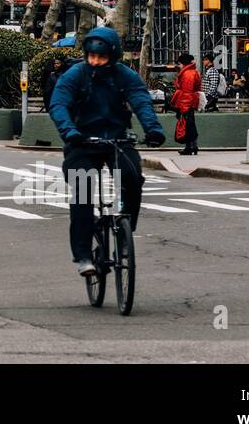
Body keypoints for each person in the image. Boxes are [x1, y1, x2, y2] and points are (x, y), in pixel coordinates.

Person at [48, 26, 166, 278]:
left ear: (113, 56)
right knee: (82, 191)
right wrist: (69, 131)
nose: (95, 62)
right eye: (91, 57)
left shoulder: (125, 75)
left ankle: (125, 231)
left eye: (101, 58)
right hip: (81, 141)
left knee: (133, 178)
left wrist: (153, 129)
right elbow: (59, 104)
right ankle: (83, 255)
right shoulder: (75, 75)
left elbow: (140, 100)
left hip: (117, 139)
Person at [170, 51, 202, 155]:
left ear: (183, 63)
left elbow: (186, 91)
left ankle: (190, 147)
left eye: (179, 63)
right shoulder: (193, 72)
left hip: (186, 102)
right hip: (191, 102)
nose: (178, 66)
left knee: (187, 125)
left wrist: (183, 107)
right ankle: (192, 146)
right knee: (190, 124)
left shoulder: (187, 74)